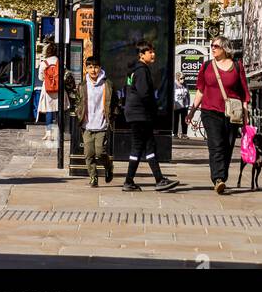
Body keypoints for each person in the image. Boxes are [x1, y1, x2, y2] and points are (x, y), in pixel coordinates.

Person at [188, 36, 249, 194]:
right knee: (216, 145)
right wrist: (192, 111)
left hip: (232, 114)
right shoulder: (207, 66)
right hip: (210, 111)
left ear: (225, 49)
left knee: (227, 146)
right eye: (212, 46)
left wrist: (245, 118)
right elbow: (201, 91)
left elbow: (244, 93)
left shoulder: (237, 66)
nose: (212, 48)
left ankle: (222, 176)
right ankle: (218, 179)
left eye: (216, 46)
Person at [122, 42, 177, 193]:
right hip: (141, 114)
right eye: (150, 52)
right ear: (141, 54)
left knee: (142, 147)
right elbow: (144, 94)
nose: (153, 54)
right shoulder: (141, 70)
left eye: (153, 51)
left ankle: (133, 181)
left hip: (135, 114)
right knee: (144, 146)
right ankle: (156, 180)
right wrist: (154, 109)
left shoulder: (134, 70)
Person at [74, 56, 116, 188]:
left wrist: (112, 114)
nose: (93, 70)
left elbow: (114, 102)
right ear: (86, 69)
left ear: (100, 68)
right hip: (87, 125)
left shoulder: (107, 84)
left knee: (99, 152)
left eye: (96, 67)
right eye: (90, 67)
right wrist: (78, 113)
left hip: (102, 124)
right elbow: (78, 102)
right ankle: (93, 177)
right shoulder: (82, 85)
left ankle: (108, 166)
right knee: (89, 154)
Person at [37, 42, 59, 146]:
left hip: (47, 89)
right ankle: (58, 132)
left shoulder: (44, 63)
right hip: (58, 89)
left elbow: (40, 78)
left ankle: (49, 133)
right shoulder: (59, 61)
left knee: (49, 111)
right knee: (58, 111)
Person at [173, 73, 191, 138]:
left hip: (184, 106)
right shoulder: (174, 85)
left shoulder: (185, 85)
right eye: (181, 78)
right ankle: (175, 134)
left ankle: (184, 134)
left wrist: (188, 104)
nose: (183, 80)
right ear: (177, 78)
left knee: (184, 120)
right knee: (176, 120)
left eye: (184, 78)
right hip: (176, 106)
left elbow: (188, 95)